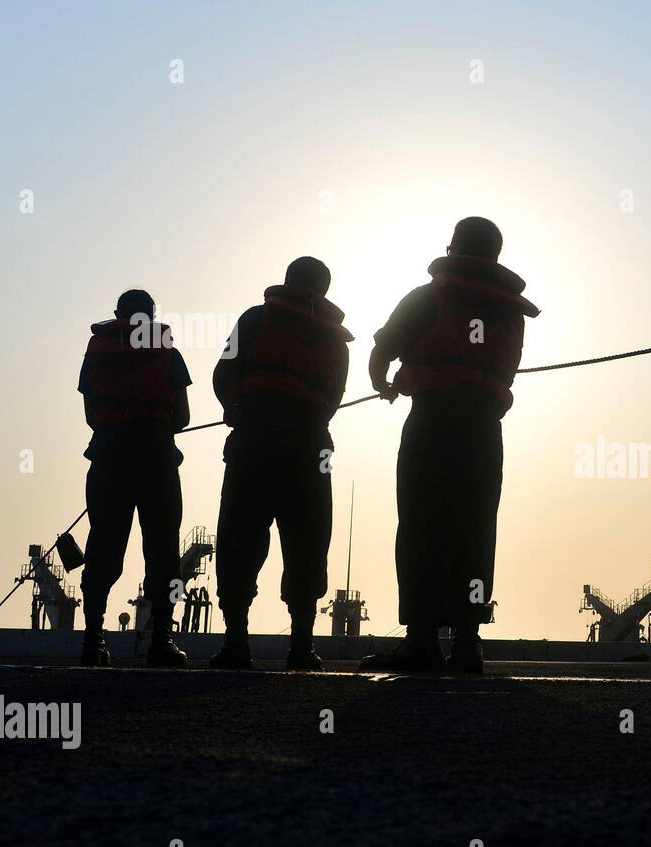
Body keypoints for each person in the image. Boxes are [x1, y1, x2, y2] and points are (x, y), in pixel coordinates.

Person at [363, 217, 540, 673]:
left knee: (421, 526)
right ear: (496, 255)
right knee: (476, 529)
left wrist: (383, 383)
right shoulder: (510, 310)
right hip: (483, 431)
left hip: (433, 422)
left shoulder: (428, 296)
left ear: (455, 246)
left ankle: (421, 640)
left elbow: (381, 350)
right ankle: (468, 642)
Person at [210, 257, 352, 670]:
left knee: (239, 538)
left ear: (287, 281)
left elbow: (223, 372)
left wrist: (233, 408)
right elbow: (334, 398)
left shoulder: (254, 320)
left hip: (254, 443)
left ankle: (236, 642)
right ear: (324, 290)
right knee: (308, 542)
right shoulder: (337, 342)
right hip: (310, 450)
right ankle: (302, 647)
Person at [78, 289, 191, 667]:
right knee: (162, 551)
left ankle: (93, 640)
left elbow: (91, 414)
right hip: (157, 460)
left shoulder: (97, 350)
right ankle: (162, 641)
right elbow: (183, 418)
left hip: (109, 459)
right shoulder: (168, 353)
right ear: (152, 316)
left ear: (117, 314)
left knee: (103, 547)